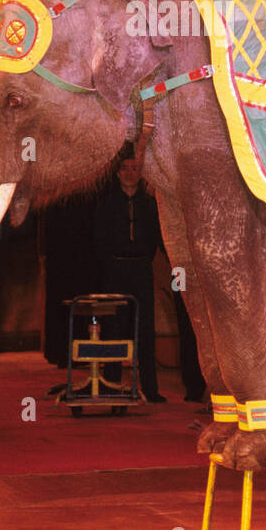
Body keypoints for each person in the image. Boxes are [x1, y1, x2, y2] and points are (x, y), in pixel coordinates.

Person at [93, 155, 165, 403]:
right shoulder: (107, 203)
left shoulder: (150, 204)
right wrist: (108, 265)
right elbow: (98, 238)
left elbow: (158, 236)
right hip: (115, 270)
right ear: (117, 174)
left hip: (142, 270)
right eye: (124, 168)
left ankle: (151, 389)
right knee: (114, 327)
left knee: (145, 328)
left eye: (135, 168)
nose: (129, 173)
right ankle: (112, 384)